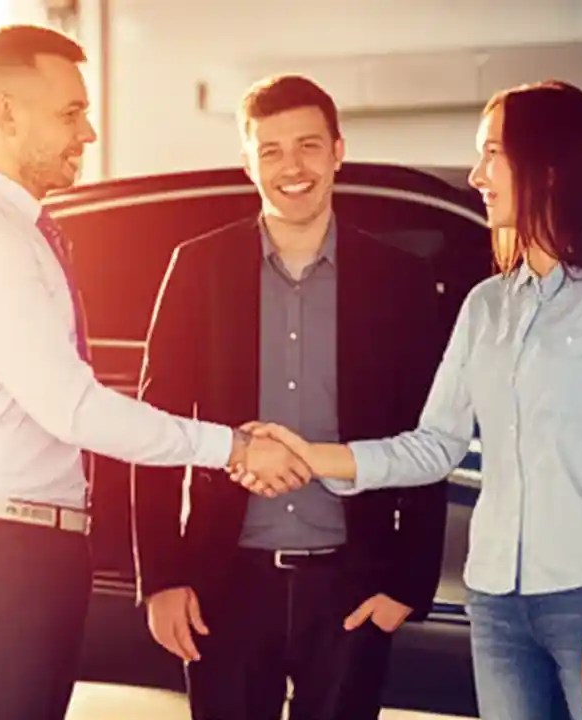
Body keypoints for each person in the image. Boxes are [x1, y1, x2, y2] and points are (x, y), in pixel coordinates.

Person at [239, 80, 582, 720]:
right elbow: (435, 446)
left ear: (551, 168)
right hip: (497, 606)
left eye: (492, 154)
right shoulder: (486, 307)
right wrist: (313, 458)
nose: (477, 175)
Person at [0, 25, 309, 720]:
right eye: (70, 113)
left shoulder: (18, 231)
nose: (87, 133)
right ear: (5, 113)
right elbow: (74, 409)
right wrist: (233, 447)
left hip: (32, 552)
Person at [132, 74, 450, 720]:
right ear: (248, 163)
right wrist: (161, 579)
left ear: (338, 150)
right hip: (225, 583)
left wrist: (405, 585)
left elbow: (426, 437)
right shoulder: (198, 268)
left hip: (352, 586)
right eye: (270, 150)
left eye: (307, 145)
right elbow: (155, 428)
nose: (292, 167)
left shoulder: (402, 280)